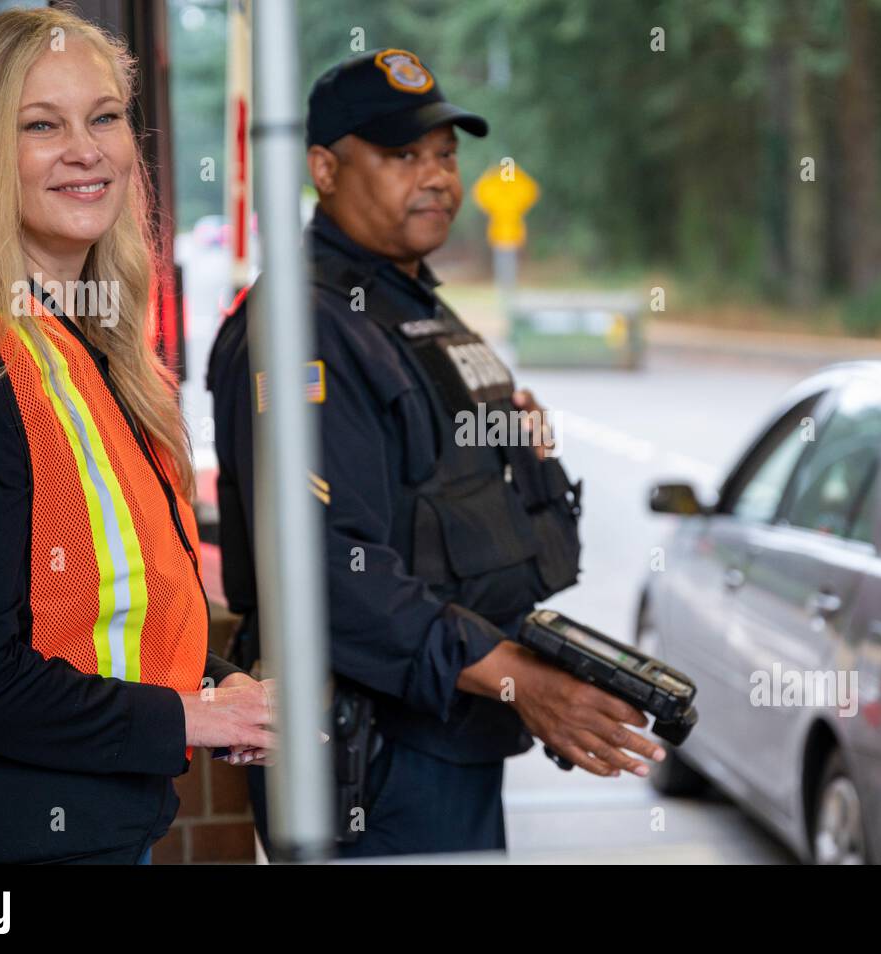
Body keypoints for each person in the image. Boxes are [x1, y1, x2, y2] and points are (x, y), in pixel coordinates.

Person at [208, 48, 664, 858]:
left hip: (448, 730)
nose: (437, 177)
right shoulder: (302, 327)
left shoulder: (409, 308)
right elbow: (323, 570)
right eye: (401, 155)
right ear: (325, 167)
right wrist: (521, 678)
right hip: (373, 762)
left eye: (447, 155)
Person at [0, 7, 273, 865]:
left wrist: (205, 679)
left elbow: (100, 603)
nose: (86, 149)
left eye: (105, 117)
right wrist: (188, 717)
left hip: (69, 819)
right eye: (40, 125)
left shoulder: (74, 342)